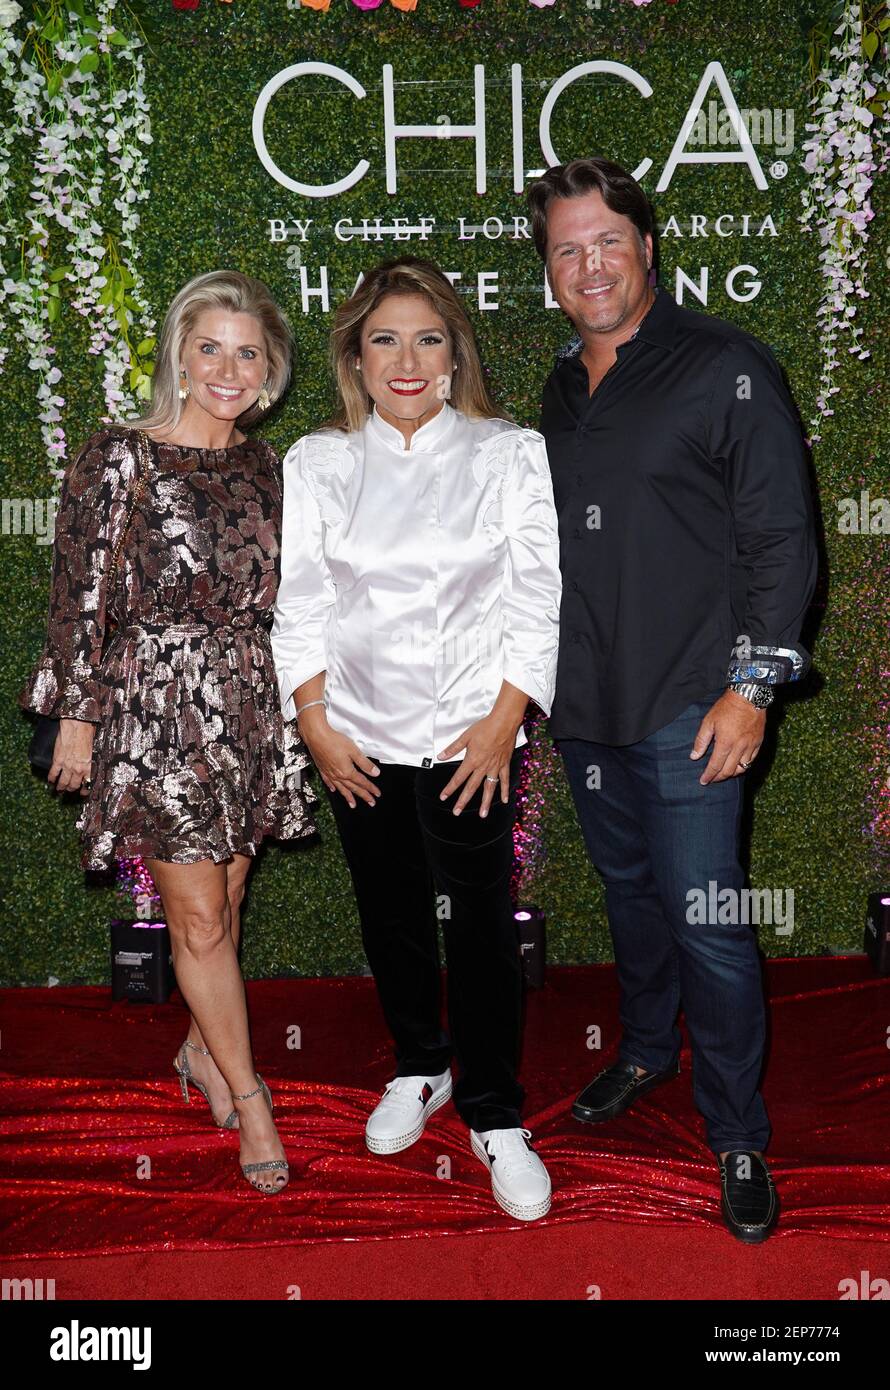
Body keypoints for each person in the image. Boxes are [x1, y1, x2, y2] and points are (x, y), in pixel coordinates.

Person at [529, 158, 817, 1243]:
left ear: (647, 248)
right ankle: (646, 1048)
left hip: (693, 702)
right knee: (632, 899)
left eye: (606, 240)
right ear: (548, 271)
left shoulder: (725, 366)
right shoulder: (559, 390)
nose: (588, 263)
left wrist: (750, 688)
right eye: (565, 248)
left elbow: (781, 540)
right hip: (585, 703)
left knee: (709, 923)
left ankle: (736, 1128)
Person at [271, 256, 562, 1221]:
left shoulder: (507, 450)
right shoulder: (316, 461)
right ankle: (420, 1065)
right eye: (384, 338)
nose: (407, 359)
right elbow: (301, 601)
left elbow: (537, 593)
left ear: (453, 352)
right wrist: (314, 724)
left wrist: (504, 721)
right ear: (355, 353)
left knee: (480, 924)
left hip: (473, 734)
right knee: (390, 908)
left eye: (427, 338)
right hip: (353, 732)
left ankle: (494, 1111)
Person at [19, 270, 318, 1196]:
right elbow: (81, 595)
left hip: (250, 700)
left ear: (268, 371)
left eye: (248, 353)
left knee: (224, 906)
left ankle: (200, 1052)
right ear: (178, 359)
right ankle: (252, 1097)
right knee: (194, 915)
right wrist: (76, 716)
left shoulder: (271, 465)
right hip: (156, 703)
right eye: (210, 349)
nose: (228, 369)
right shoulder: (121, 456)